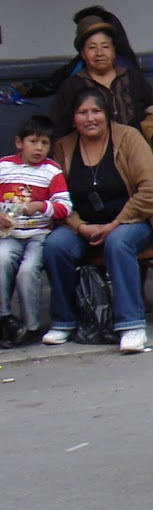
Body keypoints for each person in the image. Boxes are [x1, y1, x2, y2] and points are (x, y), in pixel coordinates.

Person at [42, 85, 153, 353]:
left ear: (107, 114)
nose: (90, 118)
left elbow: (151, 192)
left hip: (132, 222)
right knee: (55, 246)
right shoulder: (64, 147)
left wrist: (114, 224)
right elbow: (58, 196)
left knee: (118, 243)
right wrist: (80, 227)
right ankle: (64, 321)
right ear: (73, 118)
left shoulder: (129, 138)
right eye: (82, 112)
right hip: (82, 226)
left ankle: (131, 325)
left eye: (96, 111)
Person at [48, 17, 153, 191]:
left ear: (114, 51)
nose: (99, 53)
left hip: (136, 157)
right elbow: (58, 129)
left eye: (105, 46)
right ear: (82, 54)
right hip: (91, 161)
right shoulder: (72, 86)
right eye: (92, 47)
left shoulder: (133, 78)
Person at [0, 113, 70, 347]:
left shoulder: (52, 171)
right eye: (33, 142)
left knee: (28, 271)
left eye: (45, 143)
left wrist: (41, 206)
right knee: (1, 261)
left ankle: (31, 326)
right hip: (9, 235)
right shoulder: (4, 166)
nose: (39, 148)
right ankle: (4, 318)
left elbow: (64, 207)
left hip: (38, 236)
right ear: (20, 143)